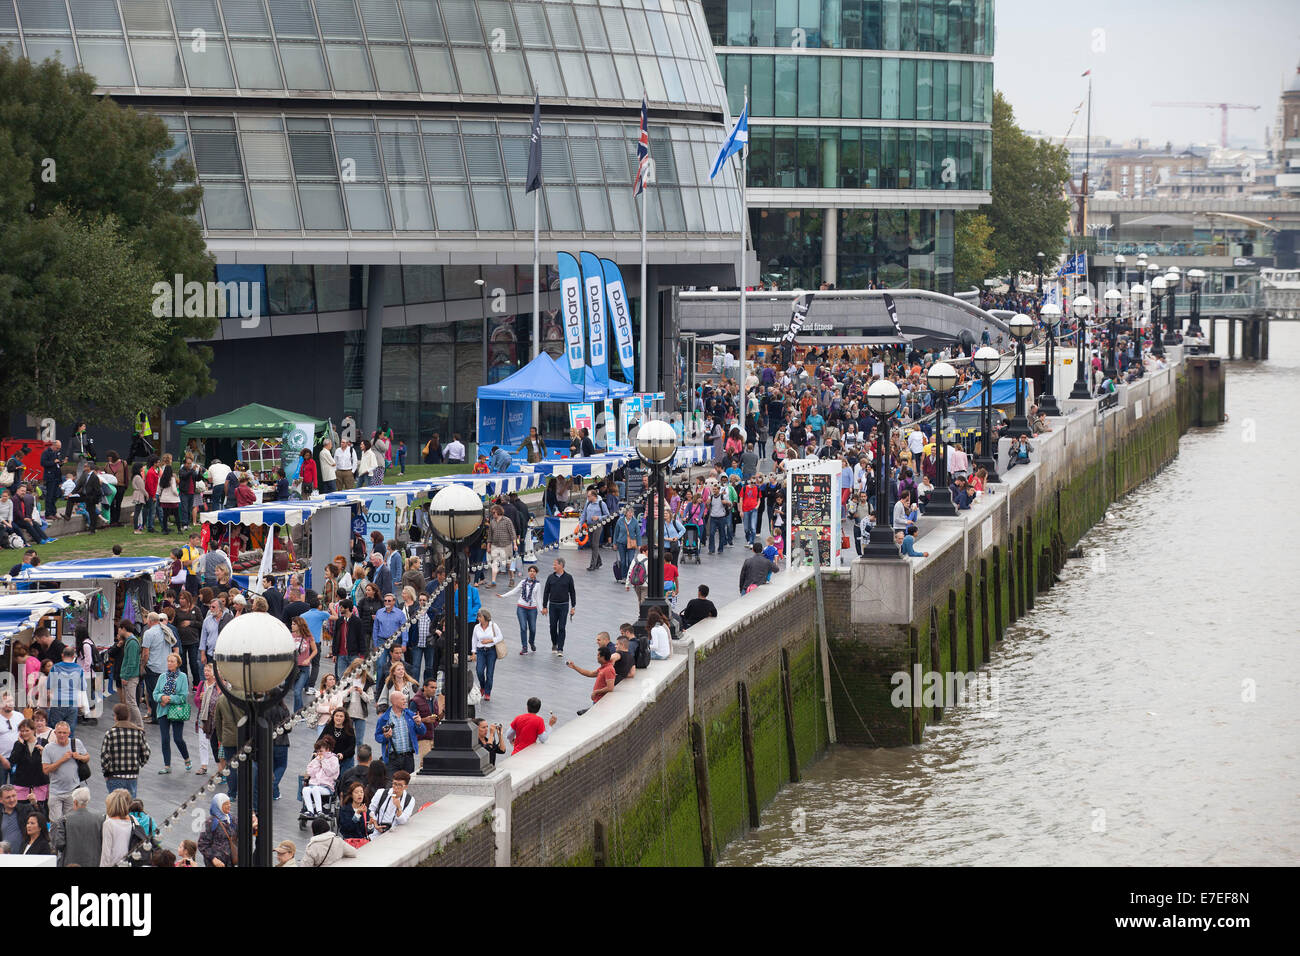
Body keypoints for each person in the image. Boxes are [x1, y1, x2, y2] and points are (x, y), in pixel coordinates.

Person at [41, 721, 90, 824]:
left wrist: (79, 757)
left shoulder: (76, 743)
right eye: (59, 732)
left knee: (70, 822)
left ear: (69, 733)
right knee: (56, 823)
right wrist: (62, 760)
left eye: (64, 732)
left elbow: (87, 757)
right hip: (55, 791)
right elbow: (45, 770)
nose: (62, 735)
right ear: (55, 733)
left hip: (72, 790)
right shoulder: (48, 748)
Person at [100, 703, 150, 797]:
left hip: (114, 776)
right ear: (128, 716)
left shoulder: (110, 733)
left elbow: (105, 756)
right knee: (130, 807)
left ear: (116, 717)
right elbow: (146, 753)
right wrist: (138, 764)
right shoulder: (138, 732)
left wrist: (106, 772)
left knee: (116, 808)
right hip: (132, 776)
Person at [152, 653, 192, 773]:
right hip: (163, 711)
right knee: (165, 739)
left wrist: (168, 699)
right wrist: (161, 698)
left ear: (178, 663)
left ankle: (186, 758)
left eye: (172, 661)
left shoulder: (183, 677)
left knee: (178, 738)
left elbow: (183, 696)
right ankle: (167, 766)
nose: (169, 663)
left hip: (177, 711)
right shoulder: (162, 677)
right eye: (168, 661)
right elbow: (155, 693)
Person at [499, 563, 541, 654]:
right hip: (521, 607)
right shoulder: (523, 582)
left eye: (534, 571)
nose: (532, 573)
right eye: (530, 571)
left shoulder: (537, 585)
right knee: (523, 627)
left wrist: (541, 609)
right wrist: (503, 596)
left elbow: (538, 598)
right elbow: (514, 591)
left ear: (536, 573)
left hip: (532, 608)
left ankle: (531, 642)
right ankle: (524, 647)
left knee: (533, 628)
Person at [374, 690, 419, 774]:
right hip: (392, 759)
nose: (405, 701)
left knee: (407, 784)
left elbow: (422, 731)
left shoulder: (410, 714)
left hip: (408, 757)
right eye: (402, 699)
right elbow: (377, 737)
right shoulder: (384, 718)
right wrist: (385, 736)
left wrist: (419, 724)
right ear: (394, 702)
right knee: (392, 784)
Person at [540, 557, 577, 656]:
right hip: (552, 605)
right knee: (552, 627)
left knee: (561, 627)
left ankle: (560, 648)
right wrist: (544, 606)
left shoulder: (569, 577)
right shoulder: (550, 577)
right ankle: (554, 643)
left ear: (561, 565)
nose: (553, 566)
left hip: (564, 606)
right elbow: (546, 592)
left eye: (555, 564)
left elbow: (572, 592)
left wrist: (573, 607)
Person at [197, 793, 242, 868]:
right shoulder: (209, 822)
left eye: (229, 803)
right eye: (225, 804)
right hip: (215, 864)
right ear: (218, 806)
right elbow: (202, 844)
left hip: (230, 862)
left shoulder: (232, 820)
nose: (229, 806)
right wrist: (213, 859)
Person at [302, 736, 340, 818]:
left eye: (321, 751)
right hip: (314, 784)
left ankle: (319, 811)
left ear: (327, 749)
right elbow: (310, 772)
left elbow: (330, 772)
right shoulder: (316, 759)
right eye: (318, 751)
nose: (319, 753)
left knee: (316, 789)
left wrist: (323, 761)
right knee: (305, 789)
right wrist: (318, 762)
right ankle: (310, 811)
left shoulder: (334, 759)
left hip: (326, 786)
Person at [471, 609, 503, 701]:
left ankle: (488, 692)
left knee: (490, 673)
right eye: (478, 617)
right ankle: (483, 686)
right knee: (479, 671)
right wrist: (473, 652)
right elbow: (474, 640)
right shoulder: (477, 627)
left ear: (485, 617)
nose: (478, 618)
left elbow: (500, 637)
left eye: (480, 617)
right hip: (480, 651)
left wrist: (489, 640)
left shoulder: (493, 625)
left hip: (491, 651)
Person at [193, 665, 220, 775]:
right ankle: (204, 765)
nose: (206, 672)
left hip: (214, 717)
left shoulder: (217, 686)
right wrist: (200, 698)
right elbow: (196, 699)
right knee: (202, 742)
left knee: (215, 744)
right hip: (203, 716)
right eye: (205, 670)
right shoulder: (201, 684)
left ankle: (220, 766)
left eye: (209, 670)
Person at [338, 780, 373, 845]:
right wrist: (357, 814)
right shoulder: (345, 810)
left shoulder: (366, 811)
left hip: (363, 843)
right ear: (351, 795)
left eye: (361, 792)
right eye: (356, 792)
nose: (360, 794)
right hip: (349, 844)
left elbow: (369, 832)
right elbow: (346, 828)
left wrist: (370, 824)